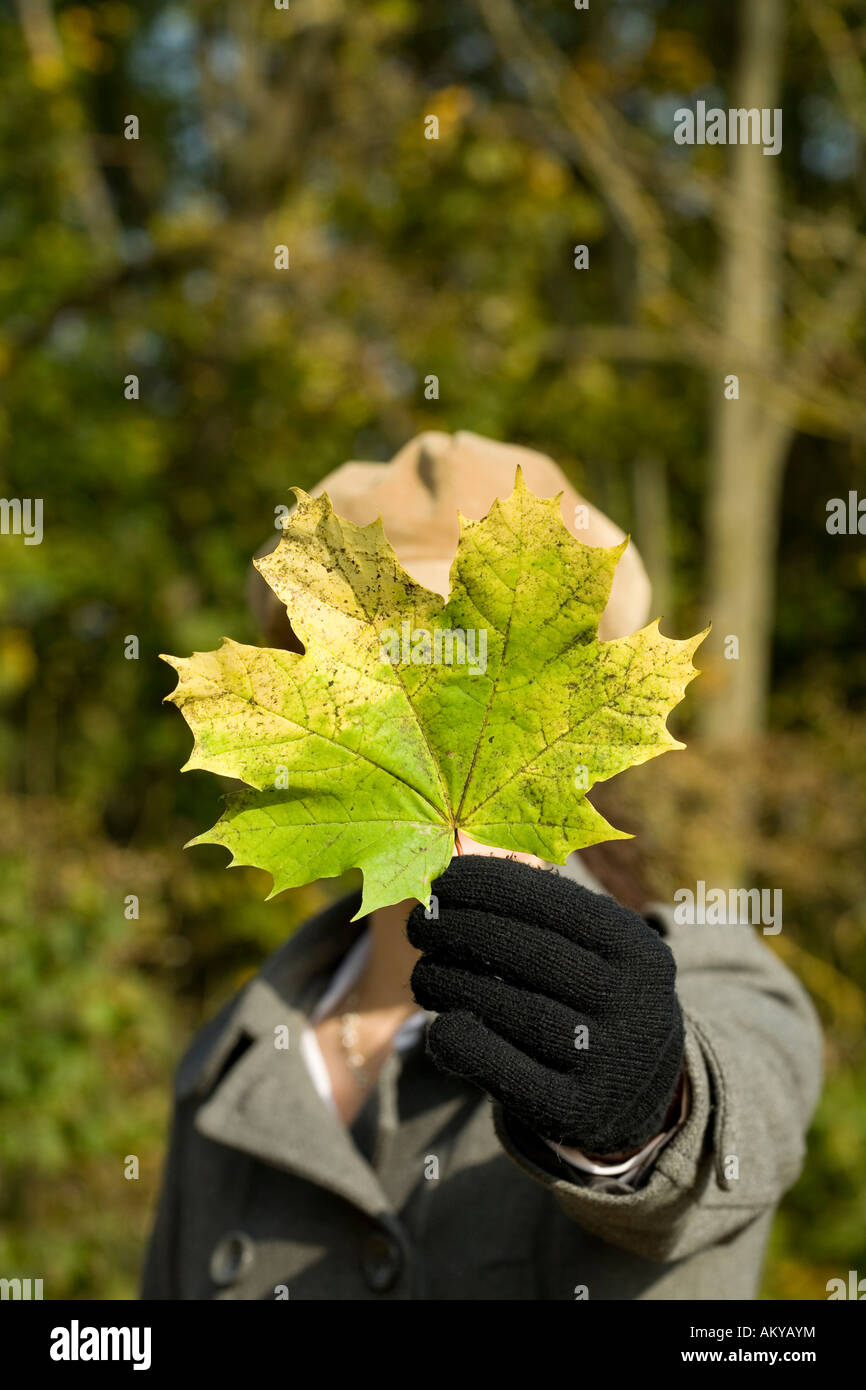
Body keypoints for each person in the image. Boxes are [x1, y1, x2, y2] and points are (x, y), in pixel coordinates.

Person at [142, 431, 823, 1301]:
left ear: (583, 718)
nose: (435, 715)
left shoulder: (708, 976)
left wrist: (642, 1109)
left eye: (472, 672)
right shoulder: (230, 1061)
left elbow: (731, 1137)